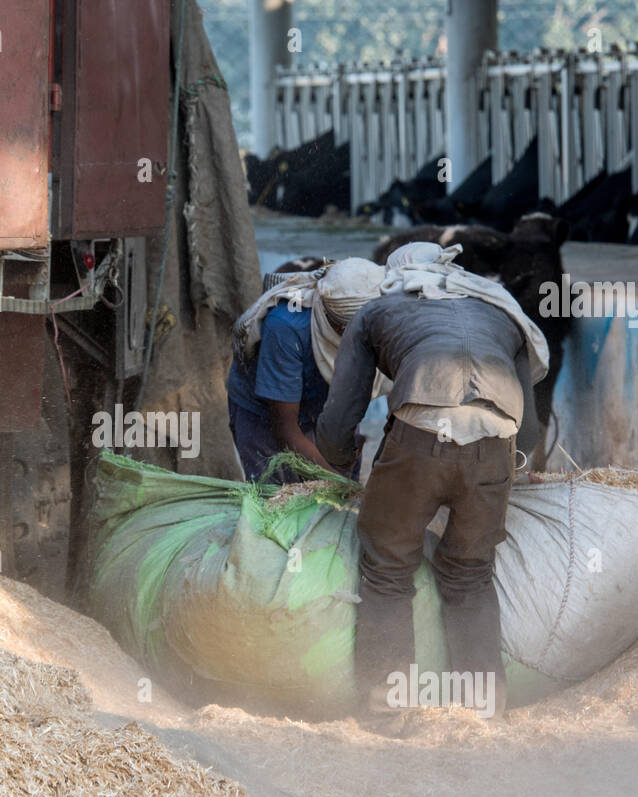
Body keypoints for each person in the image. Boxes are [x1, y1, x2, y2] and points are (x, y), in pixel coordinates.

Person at [315, 242, 548, 717]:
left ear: (392, 276)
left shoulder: (377, 310)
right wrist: (505, 474)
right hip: (496, 440)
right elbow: (530, 431)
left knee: (387, 568)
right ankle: (484, 712)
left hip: (420, 435)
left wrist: (341, 467)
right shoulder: (502, 312)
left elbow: (341, 419)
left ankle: (387, 710)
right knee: (470, 573)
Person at [227, 258, 386, 483]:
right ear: (335, 323)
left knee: (339, 497)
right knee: (279, 498)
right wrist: (340, 484)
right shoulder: (286, 326)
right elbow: (285, 430)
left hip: (328, 401)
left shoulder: (386, 320)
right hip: (265, 414)